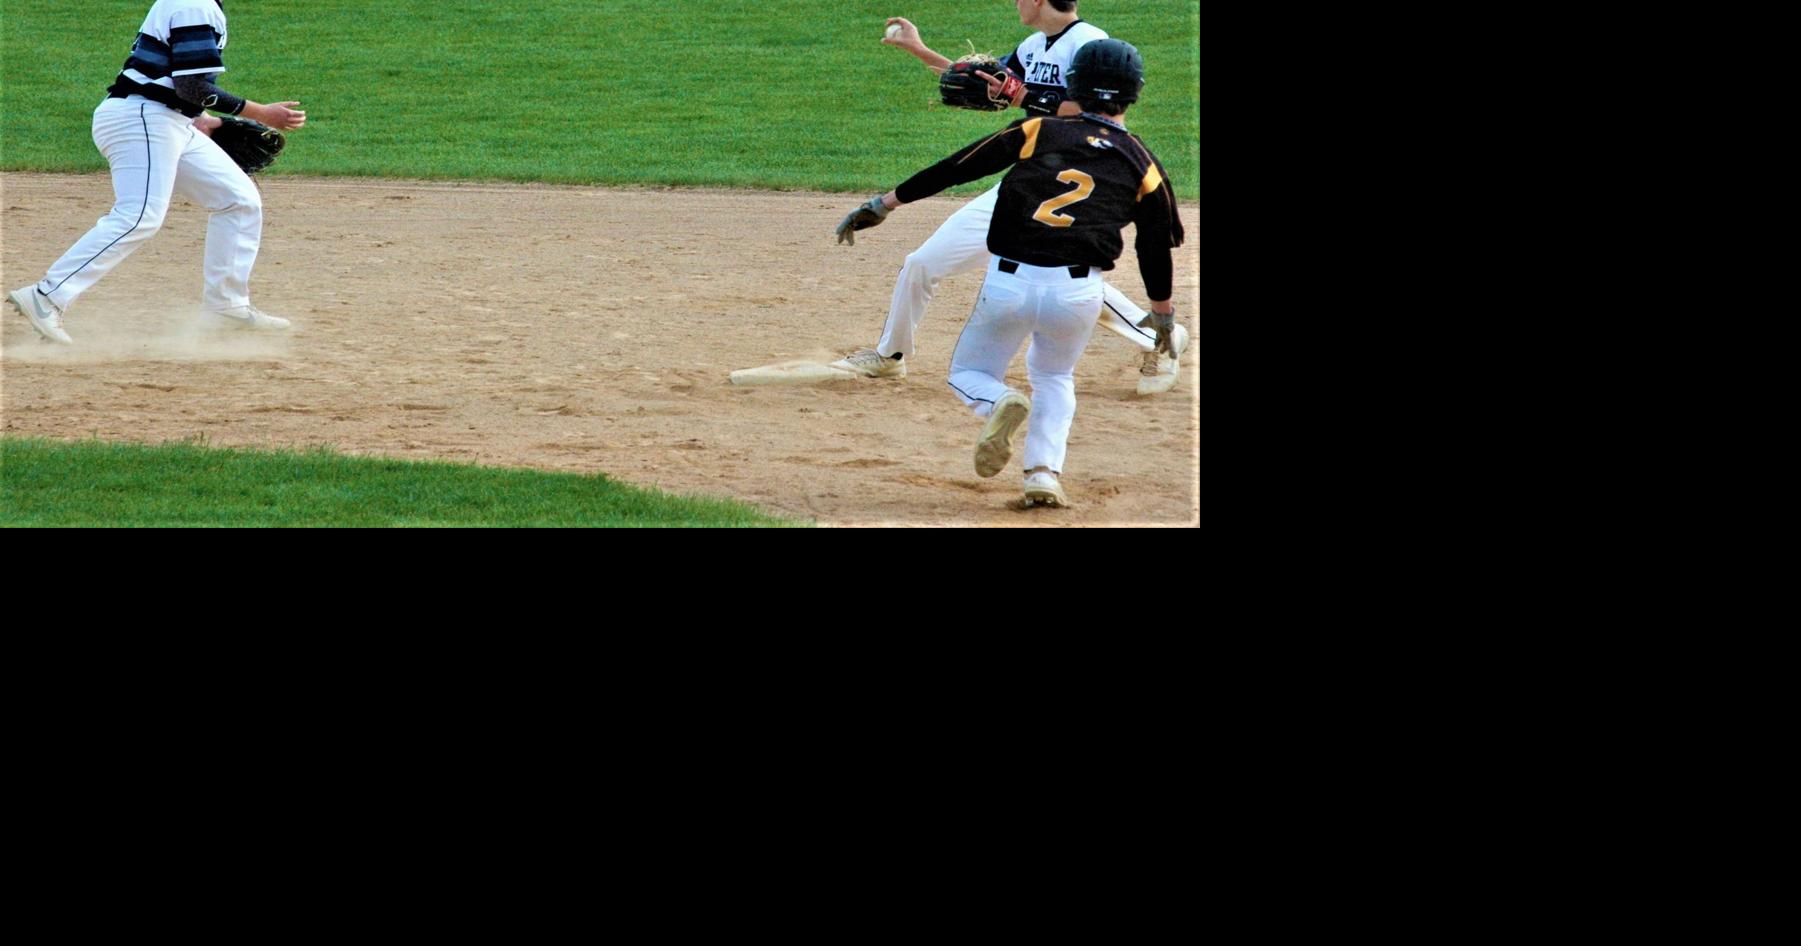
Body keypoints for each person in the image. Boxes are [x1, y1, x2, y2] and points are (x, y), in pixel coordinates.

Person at [834, 38, 1182, 507]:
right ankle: (1042, 474)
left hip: (1009, 285)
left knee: (969, 372)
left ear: (1072, 84)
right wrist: (1161, 316)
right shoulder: (1143, 163)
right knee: (1056, 378)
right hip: (1079, 295)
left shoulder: (1038, 132)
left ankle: (996, 401)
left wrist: (884, 204)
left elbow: (954, 169)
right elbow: (1154, 247)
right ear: (1135, 92)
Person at [832, 0, 1189, 396]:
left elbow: (1088, 112)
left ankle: (1161, 340)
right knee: (922, 263)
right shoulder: (1034, 45)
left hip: (1075, 179)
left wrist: (1023, 98)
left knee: (1064, 277)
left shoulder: (1090, 43)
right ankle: (889, 356)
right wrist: (920, 50)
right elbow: (980, 81)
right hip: (1026, 181)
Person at [6, 0, 306, 345]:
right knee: (140, 215)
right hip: (144, 120)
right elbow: (192, 87)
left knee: (238, 200)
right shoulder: (195, 5)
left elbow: (164, 76)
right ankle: (46, 296)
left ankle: (227, 307)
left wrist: (199, 118)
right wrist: (260, 112)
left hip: (167, 119)